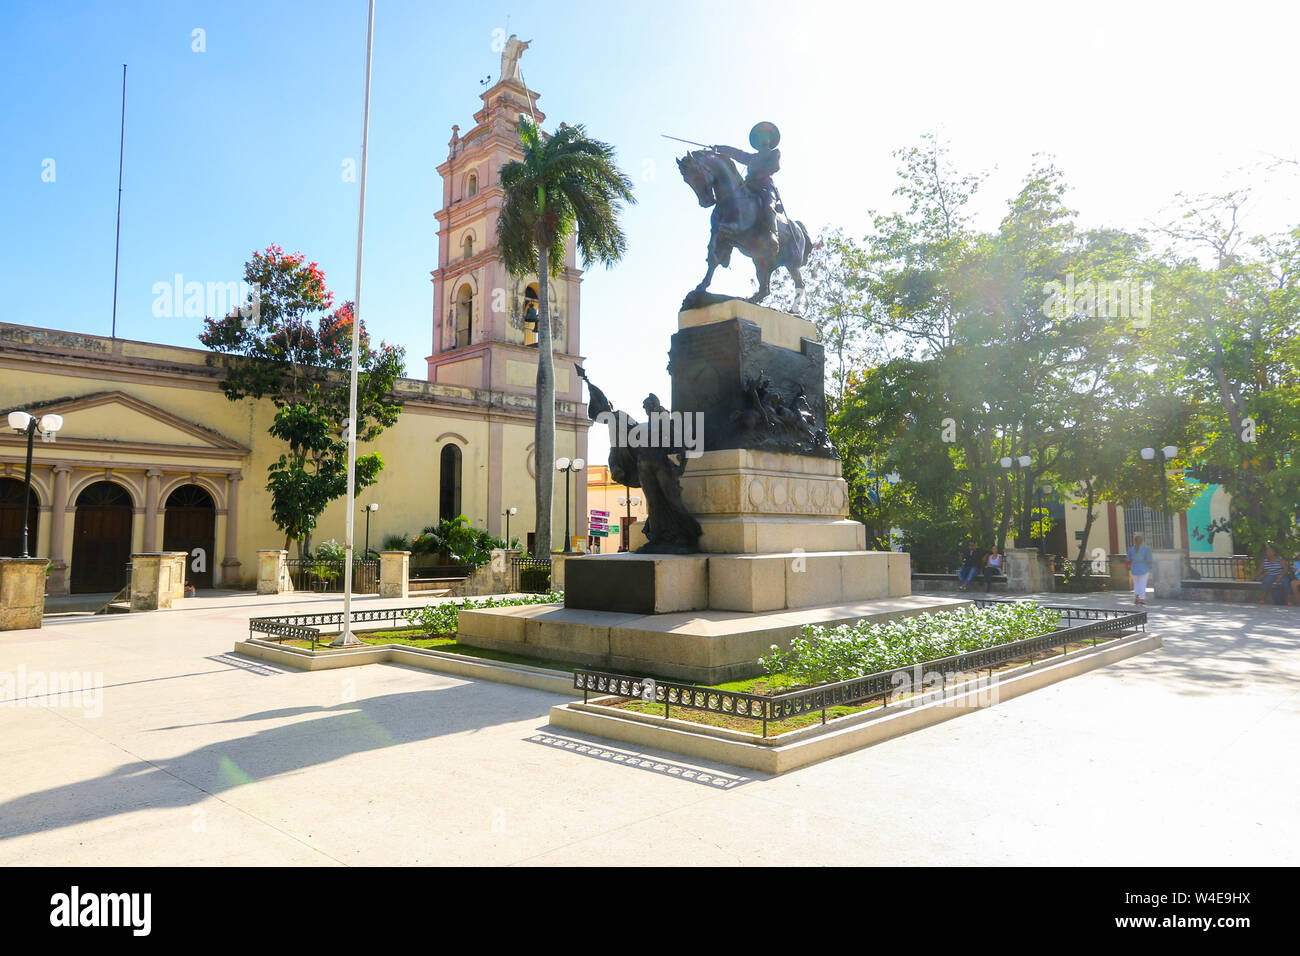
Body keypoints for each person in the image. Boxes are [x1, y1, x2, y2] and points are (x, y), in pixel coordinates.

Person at [1127, 534, 1152, 605]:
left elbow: (1128, 559)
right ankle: (1142, 599)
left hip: (1134, 569)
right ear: (1142, 541)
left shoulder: (1131, 549)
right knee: (1142, 584)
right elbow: (1149, 560)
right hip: (1144, 569)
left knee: (1136, 584)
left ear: (1134, 541)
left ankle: (1136, 597)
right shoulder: (1145, 549)